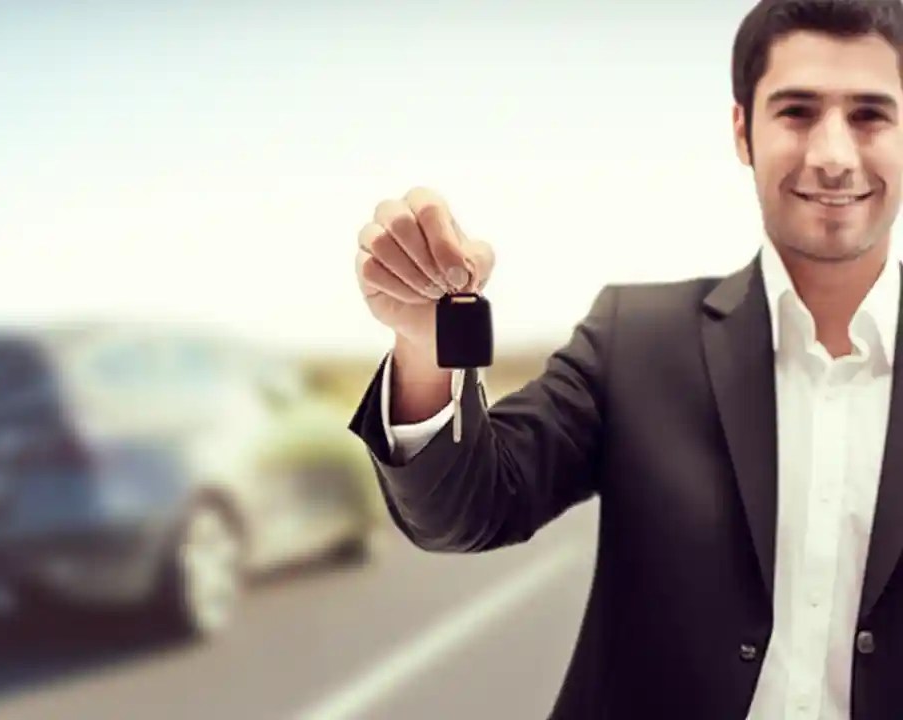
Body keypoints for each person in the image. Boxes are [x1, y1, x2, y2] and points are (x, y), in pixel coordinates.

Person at [346, 1, 903, 718]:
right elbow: (466, 510)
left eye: (870, 115)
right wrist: (427, 348)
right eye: (796, 112)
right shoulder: (636, 338)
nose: (833, 153)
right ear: (744, 131)